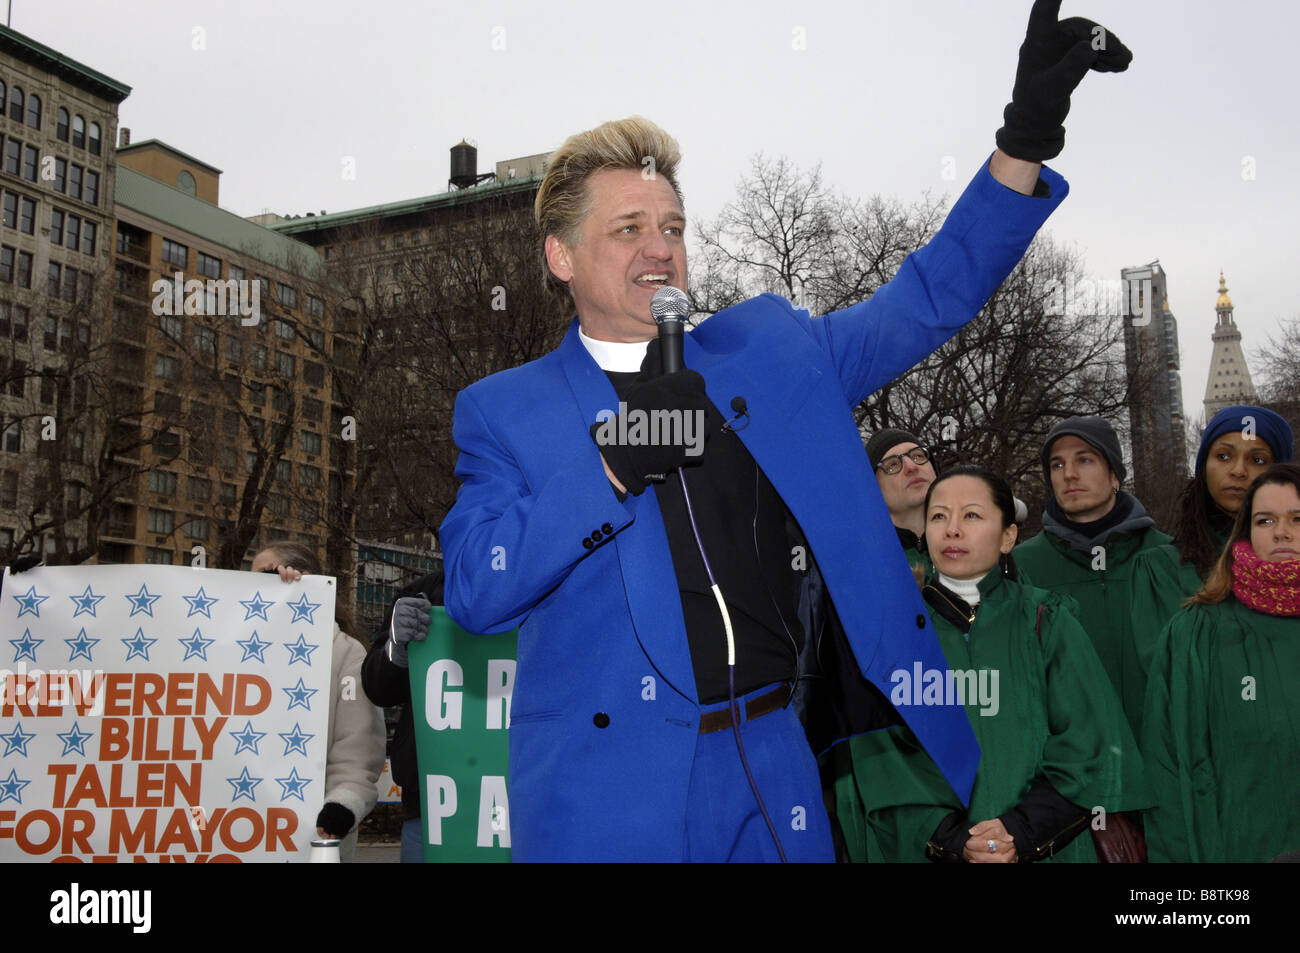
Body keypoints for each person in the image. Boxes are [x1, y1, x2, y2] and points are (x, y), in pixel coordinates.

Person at [439, 2, 1130, 862]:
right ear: (561, 256)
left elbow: (925, 301)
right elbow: (475, 586)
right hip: (605, 787)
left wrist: (1022, 141)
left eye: (674, 227)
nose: (661, 248)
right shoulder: (504, 409)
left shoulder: (766, 351)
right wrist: (613, 464)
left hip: (772, 763)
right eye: (628, 229)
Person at [841, 465, 1147, 862]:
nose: (952, 530)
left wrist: (1019, 830)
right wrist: (952, 838)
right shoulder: (893, 638)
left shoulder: (1047, 620)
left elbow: (1092, 742)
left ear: (1008, 537)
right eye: (938, 516)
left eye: (971, 515)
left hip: (1048, 847)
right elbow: (881, 759)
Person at [1143, 463, 1300, 862]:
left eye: (1298, 519)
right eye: (1266, 520)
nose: (1281, 532)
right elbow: (1170, 768)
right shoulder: (1196, 633)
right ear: (1245, 533)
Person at [1014, 416, 1172, 738]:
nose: (1069, 474)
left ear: (1114, 475)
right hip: (1072, 772)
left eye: (1084, 460)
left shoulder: (1169, 558)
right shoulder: (1022, 566)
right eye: (1057, 465)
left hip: (1165, 765)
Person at [252, 542, 387, 862]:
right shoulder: (230, 653)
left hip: (309, 838)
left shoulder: (345, 654)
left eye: (263, 578)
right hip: (235, 831)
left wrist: (341, 806)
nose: (252, 588)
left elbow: (358, 749)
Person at [1128, 405, 1294, 664]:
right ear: (1204, 465)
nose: (1238, 471)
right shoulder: (1160, 570)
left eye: (1257, 460)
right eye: (1224, 456)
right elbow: (1165, 677)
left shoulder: (1290, 562)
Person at [361, 571, 444, 863]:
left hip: (519, 799)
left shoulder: (538, 582)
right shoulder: (422, 594)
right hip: (428, 804)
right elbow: (378, 689)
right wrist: (395, 651)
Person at [867, 428, 936, 573]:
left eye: (918, 456)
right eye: (892, 465)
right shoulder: (866, 565)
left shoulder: (982, 542)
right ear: (874, 488)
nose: (911, 466)